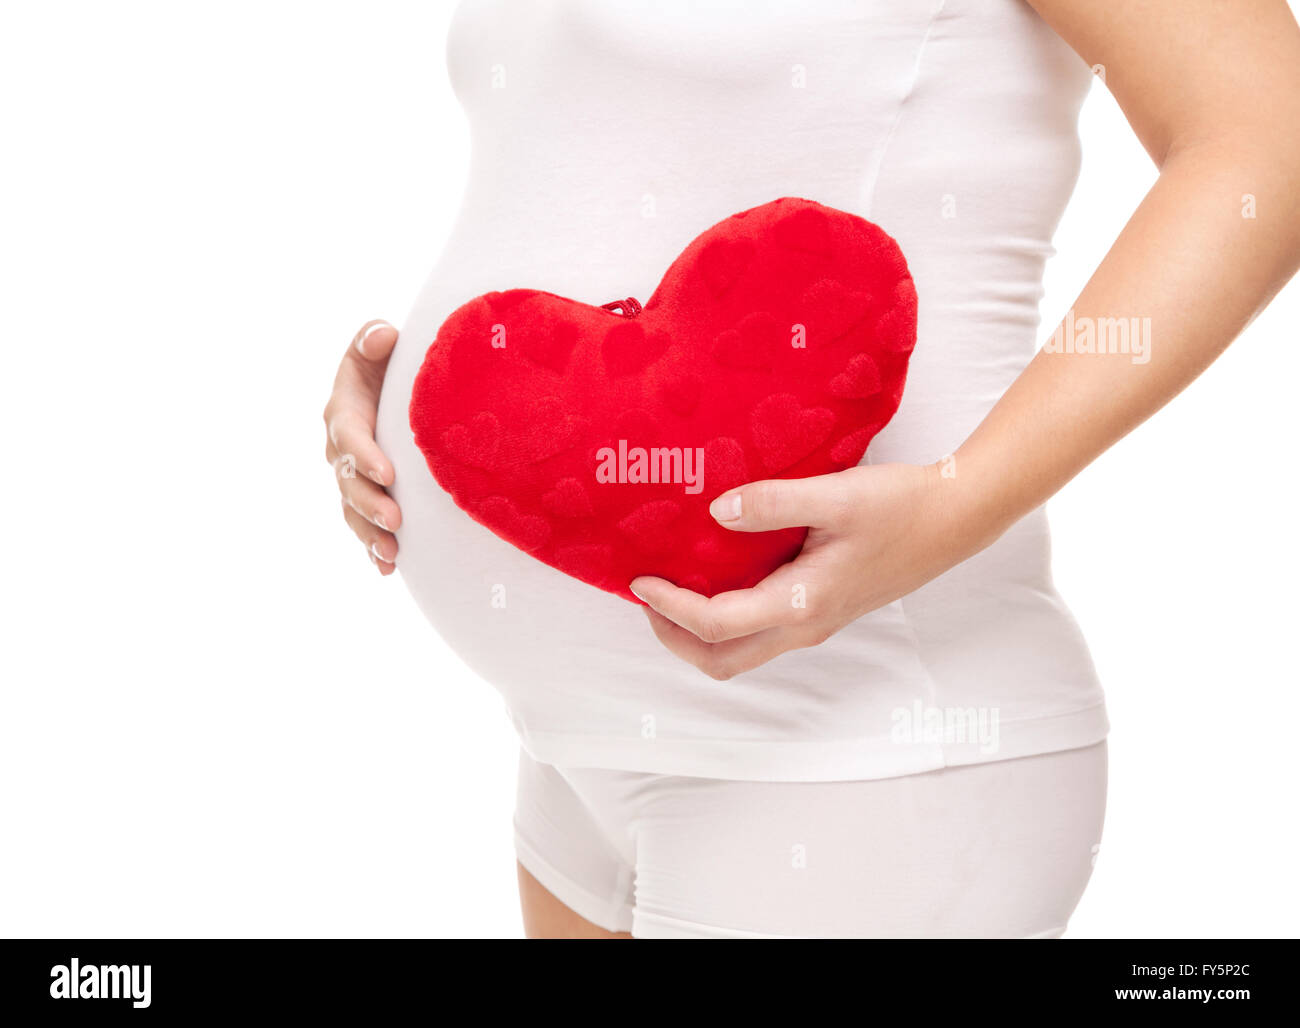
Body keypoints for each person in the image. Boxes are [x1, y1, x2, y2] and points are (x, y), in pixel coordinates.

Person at [322, 0, 1300, 938]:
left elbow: (1267, 138)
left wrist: (968, 496)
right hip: (573, 753)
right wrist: (430, 389)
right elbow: (593, 157)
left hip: (865, 742)